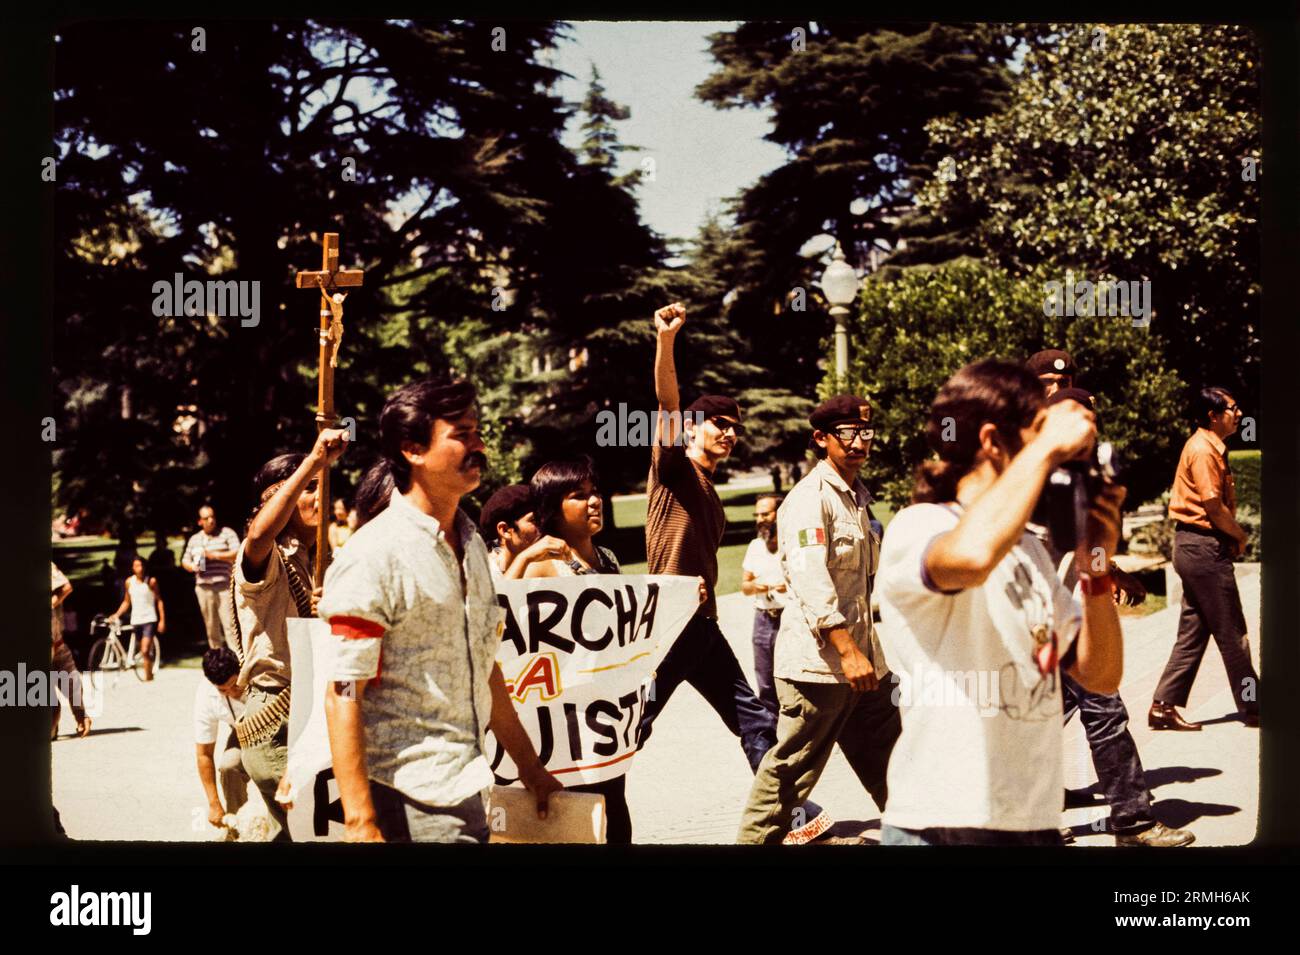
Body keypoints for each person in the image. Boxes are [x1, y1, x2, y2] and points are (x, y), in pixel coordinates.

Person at [876, 359, 1126, 846]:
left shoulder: (1028, 548)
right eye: (1038, 433)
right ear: (992, 441)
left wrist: (1095, 571)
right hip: (942, 822)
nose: (1053, 455)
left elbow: (1101, 675)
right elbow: (971, 556)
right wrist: (1051, 446)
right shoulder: (921, 526)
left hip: (1032, 823)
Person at [318, 378, 562, 843]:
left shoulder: (470, 543)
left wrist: (530, 769)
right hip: (409, 798)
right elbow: (343, 691)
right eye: (462, 434)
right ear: (413, 450)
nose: (478, 445)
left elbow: (484, 665)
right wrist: (360, 820)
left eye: (478, 432)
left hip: (469, 785)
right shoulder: (375, 554)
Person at [636, 302, 829, 844]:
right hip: (664, 626)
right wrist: (666, 340)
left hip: (699, 625)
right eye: (719, 425)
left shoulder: (709, 488)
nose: (729, 434)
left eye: (735, 428)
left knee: (751, 717)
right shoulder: (672, 467)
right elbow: (666, 401)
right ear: (692, 428)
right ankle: (571, 801)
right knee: (632, 726)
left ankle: (791, 816)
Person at [737, 396, 902, 844]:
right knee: (789, 775)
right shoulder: (811, 499)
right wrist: (847, 652)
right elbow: (812, 581)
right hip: (821, 667)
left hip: (866, 664)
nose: (858, 441)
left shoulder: (857, 498)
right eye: (846, 432)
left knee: (900, 766)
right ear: (821, 439)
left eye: (865, 431)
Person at [1037, 388, 1194, 847]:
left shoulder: (1085, 474)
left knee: (1097, 710)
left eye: (1089, 416)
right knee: (1051, 717)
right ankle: (1125, 821)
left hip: (1078, 616)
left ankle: (1128, 818)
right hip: (1038, 623)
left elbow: (1087, 544)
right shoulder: (1027, 476)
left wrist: (1113, 574)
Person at [230, 428, 350, 841]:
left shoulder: (315, 556)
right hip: (278, 720)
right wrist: (314, 461)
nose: (320, 495)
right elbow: (260, 535)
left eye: (321, 486)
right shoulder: (264, 556)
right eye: (309, 487)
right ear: (276, 498)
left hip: (308, 713)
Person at [522, 457, 632, 842]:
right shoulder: (544, 568)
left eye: (594, 493)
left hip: (605, 719)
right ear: (552, 509)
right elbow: (504, 633)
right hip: (563, 726)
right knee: (580, 817)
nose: (594, 502)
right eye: (578, 496)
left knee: (615, 811)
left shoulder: (608, 560)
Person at [1150, 387, 1260, 730]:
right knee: (1232, 632)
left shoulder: (1210, 446)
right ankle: (1255, 706)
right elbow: (1212, 505)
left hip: (1194, 546)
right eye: (1232, 408)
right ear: (1213, 415)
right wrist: (1239, 535)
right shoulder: (1202, 449)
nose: (1239, 414)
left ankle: (1162, 706)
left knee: (1193, 632)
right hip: (1202, 547)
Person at [194, 647, 250, 831]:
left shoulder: (255, 669)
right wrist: (213, 803)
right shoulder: (205, 694)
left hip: (280, 726)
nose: (232, 692)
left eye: (235, 685)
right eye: (223, 690)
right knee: (229, 766)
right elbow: (204, 753)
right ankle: (238, 828)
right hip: (244, 731)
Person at [740, 494, 786, 716]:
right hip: (763, 620)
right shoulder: (755, 546)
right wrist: (761, 585)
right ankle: (772, 736)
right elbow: (745, 586)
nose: (760, 519)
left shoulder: (793, 543)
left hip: (789, 618)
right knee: (766, 683)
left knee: (792, 679)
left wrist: (789, 585)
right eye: (757, 515)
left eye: (765, 513)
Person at [478, 483, 571, 580]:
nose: (543, 526)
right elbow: (504, 594)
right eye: (534, 520)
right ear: (505, 530)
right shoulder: (482, 572)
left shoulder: (542, 564)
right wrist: (524, 558)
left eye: (544, 520)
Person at [182, 506, 241, 650]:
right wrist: (192, 566)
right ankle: (217, 663)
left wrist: (213, 555)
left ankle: (236, 662)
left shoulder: (227, 533)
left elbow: (238, 553)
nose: (211, 520)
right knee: (211, 626)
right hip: (204, 587)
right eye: (206, 518)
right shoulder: (195, 539)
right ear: (200, 522)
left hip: (224, 585)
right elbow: (185, 560)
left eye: (212, 517)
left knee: (230, 625)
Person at [50, 562, 90, 740]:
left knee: (71, 683)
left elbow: (66, 587)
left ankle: (80, 717)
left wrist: (49, 604)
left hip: (55, 642)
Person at [108, 555, 164, 682]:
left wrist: (162, 620)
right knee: (141, 650)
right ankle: (148, 671)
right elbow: (126, 602)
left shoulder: (151, 581)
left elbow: (159, 601)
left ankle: (148, 678)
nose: (139, 568)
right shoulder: (129, 582)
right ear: (133, 568)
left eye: (141, 565)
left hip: (149, 618)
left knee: (144, 650)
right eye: (136, 566)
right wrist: (117, 614)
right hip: (136, 619)